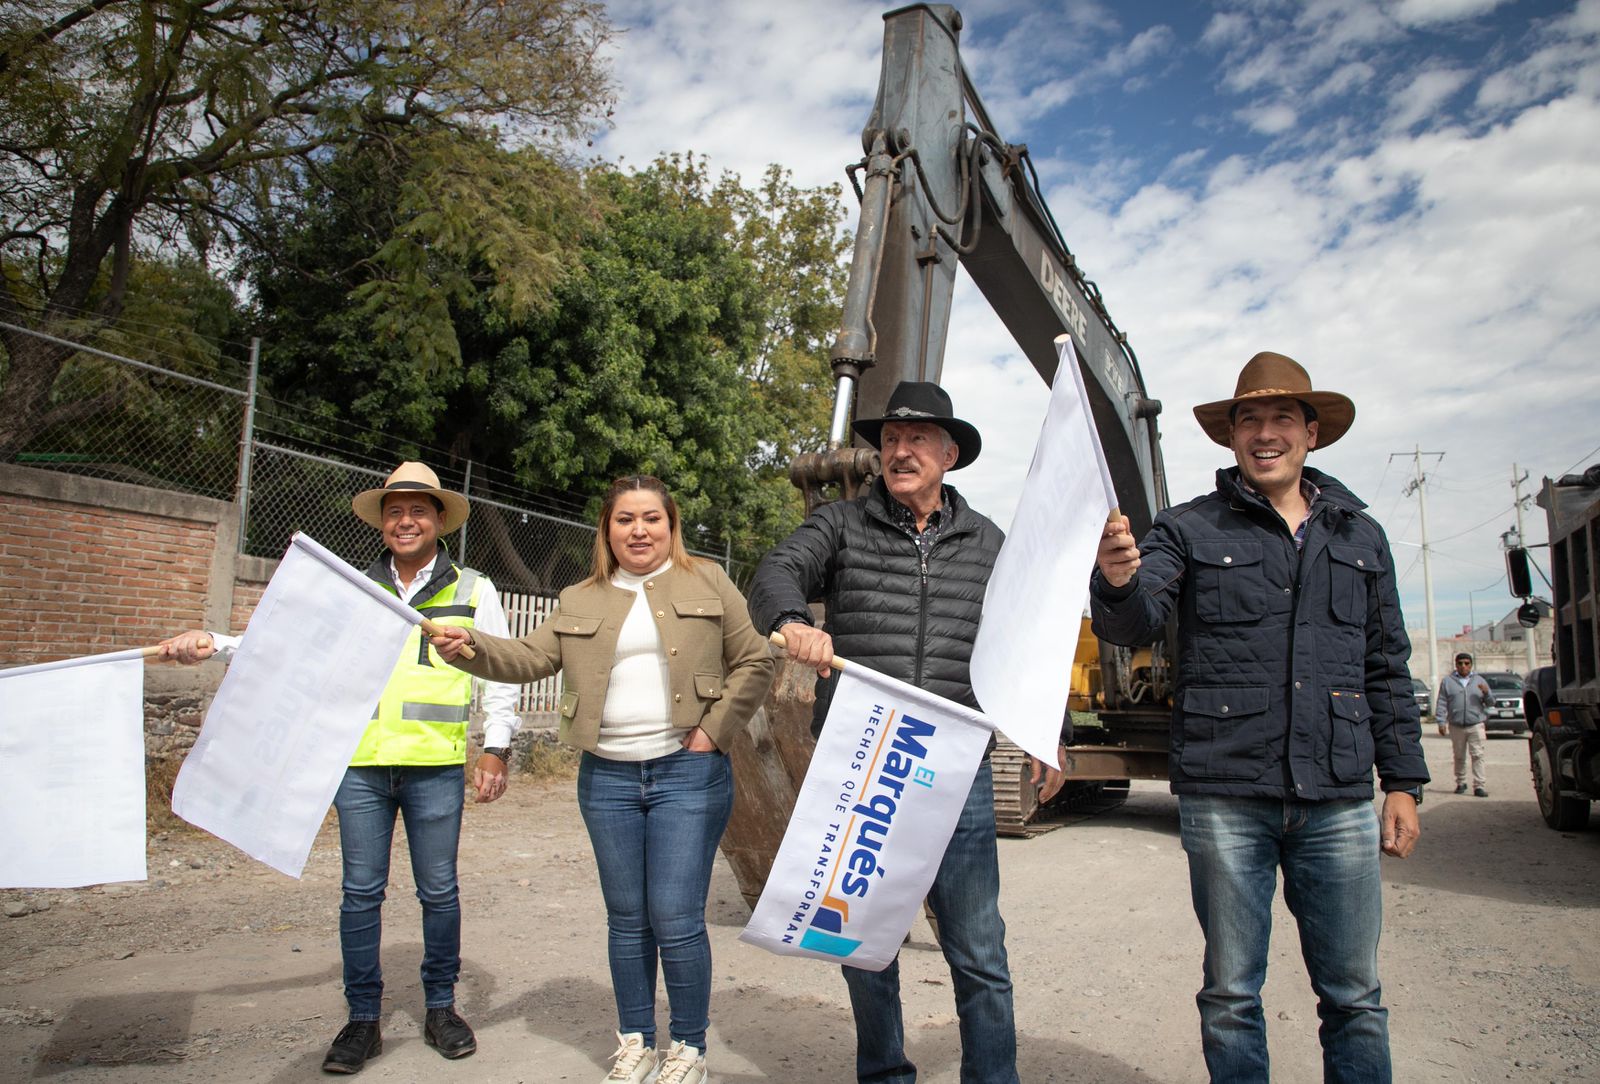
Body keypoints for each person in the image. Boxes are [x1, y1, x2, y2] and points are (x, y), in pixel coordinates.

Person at [1090, 351, 1429, 1084]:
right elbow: (1136, 619)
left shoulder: (1359, 537)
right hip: (1225, 796)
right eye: (1250, 419)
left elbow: (1385, 665)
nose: (1265, 433)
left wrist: (1401, 781)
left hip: (1337, 798)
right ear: (1232, 436)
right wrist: (1117, 581)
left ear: (1311, 433)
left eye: (1282, 418)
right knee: (1232, 994)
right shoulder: (1187, 529)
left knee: (1355, 997)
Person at [746, 380, 1062, 1084]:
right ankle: (885, 1075)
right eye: (890, 439)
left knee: (979, 947)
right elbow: (778, 568)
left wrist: (1052, 729)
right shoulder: (841, 524)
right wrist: (793, 618)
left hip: (957, 773)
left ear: (950, 454)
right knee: (862, 942)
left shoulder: (988, 544)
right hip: (864, 763)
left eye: (917, 438)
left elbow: (1028, 639)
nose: (899, 449)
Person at [160, 461, 519, 1074]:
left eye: (418, 510)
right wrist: (213, 644)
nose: (406, 521)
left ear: (439, 520)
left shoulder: (474, 590)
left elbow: (503, 670)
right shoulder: (355, 587)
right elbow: (284, 642)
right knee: (360, 894)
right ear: (383, 523)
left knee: (439, 892)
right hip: (359, 765)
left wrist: (497, 745)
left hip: (434, 766)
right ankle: (363, 1020)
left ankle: (440, 1007)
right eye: (394, 511)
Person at [432, 474, 774, 1084]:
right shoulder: (579, 596)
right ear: (607, 529)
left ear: (671, 526)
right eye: (625, 520)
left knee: (675, 915)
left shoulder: (709, 582)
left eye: (651, 519)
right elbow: (529, 659)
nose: (638, 530)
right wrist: (471, 647)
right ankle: (637, 1041)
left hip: (686, 773)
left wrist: (712, 733)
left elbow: (754, 659)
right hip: (607, 780)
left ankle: (689, 1050)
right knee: (626, 917)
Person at [1436, 651, 1493, 797]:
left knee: (1478, 755)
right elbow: (1442, 702)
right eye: (1460, 663)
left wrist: (1487, 693)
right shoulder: (1448, 682)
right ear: (1456, 665)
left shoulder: (1479, 681)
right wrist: (1441, 721)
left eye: (1466, 663)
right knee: (1459, 756)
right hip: (1456, 725)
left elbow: (1491, 703)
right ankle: (1461, 782)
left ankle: (1479, 785)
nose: (1463, 666)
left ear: (1471, 665)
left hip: (1475, 724)